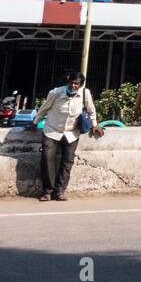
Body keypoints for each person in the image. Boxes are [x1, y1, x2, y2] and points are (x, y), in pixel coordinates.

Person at [34, 72, 102, 201]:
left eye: (76, 83)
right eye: (71, 82)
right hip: (52, 130)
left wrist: (94, 124)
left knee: (67, 162)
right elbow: (44, 108)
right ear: (67, 82)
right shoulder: (55, 93)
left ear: (80, 85)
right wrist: (35, 122)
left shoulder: (84, 93)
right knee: (47, 158)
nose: (73, 85)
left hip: (71, 132)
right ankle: (48, 191)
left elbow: (91, 109)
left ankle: (60, 191)